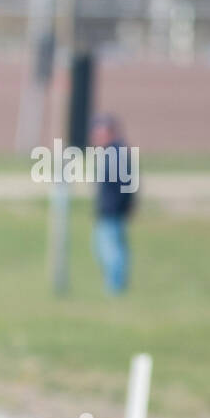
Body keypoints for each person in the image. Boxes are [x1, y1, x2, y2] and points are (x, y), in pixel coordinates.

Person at [90, 114, 136, 294]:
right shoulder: (112, 153)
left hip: (111, 212)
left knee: (111, 252)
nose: (96, 138)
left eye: (99, 134)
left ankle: (115, 288)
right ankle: (114, 286)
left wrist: (120, 206)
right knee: (105, 250)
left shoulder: (116, 155)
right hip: (110, 211)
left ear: (109, 133)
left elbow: (126, 186)